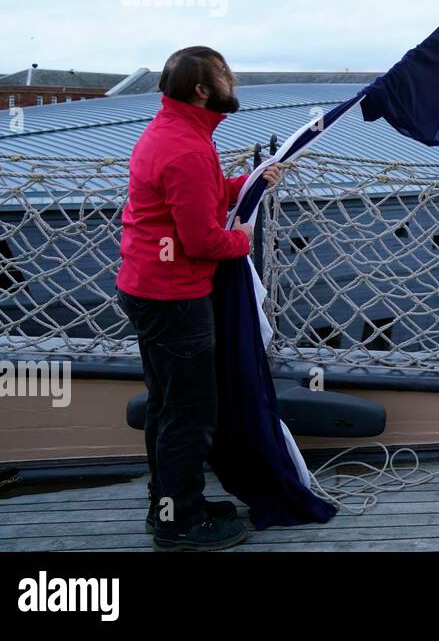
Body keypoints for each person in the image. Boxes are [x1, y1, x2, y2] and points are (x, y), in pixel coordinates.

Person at [115, 46, 284, 550]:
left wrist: (245, 184)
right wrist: (243, 238)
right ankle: (179, 523)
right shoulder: (187, 147)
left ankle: (167, 504)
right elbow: (202, 242)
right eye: (226, 75)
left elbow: (195, 197)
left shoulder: (175, 132)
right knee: (189, 414)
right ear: (203, 90)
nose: (235, 82)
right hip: (174, 298)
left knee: (168, 407)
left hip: (150, 290)